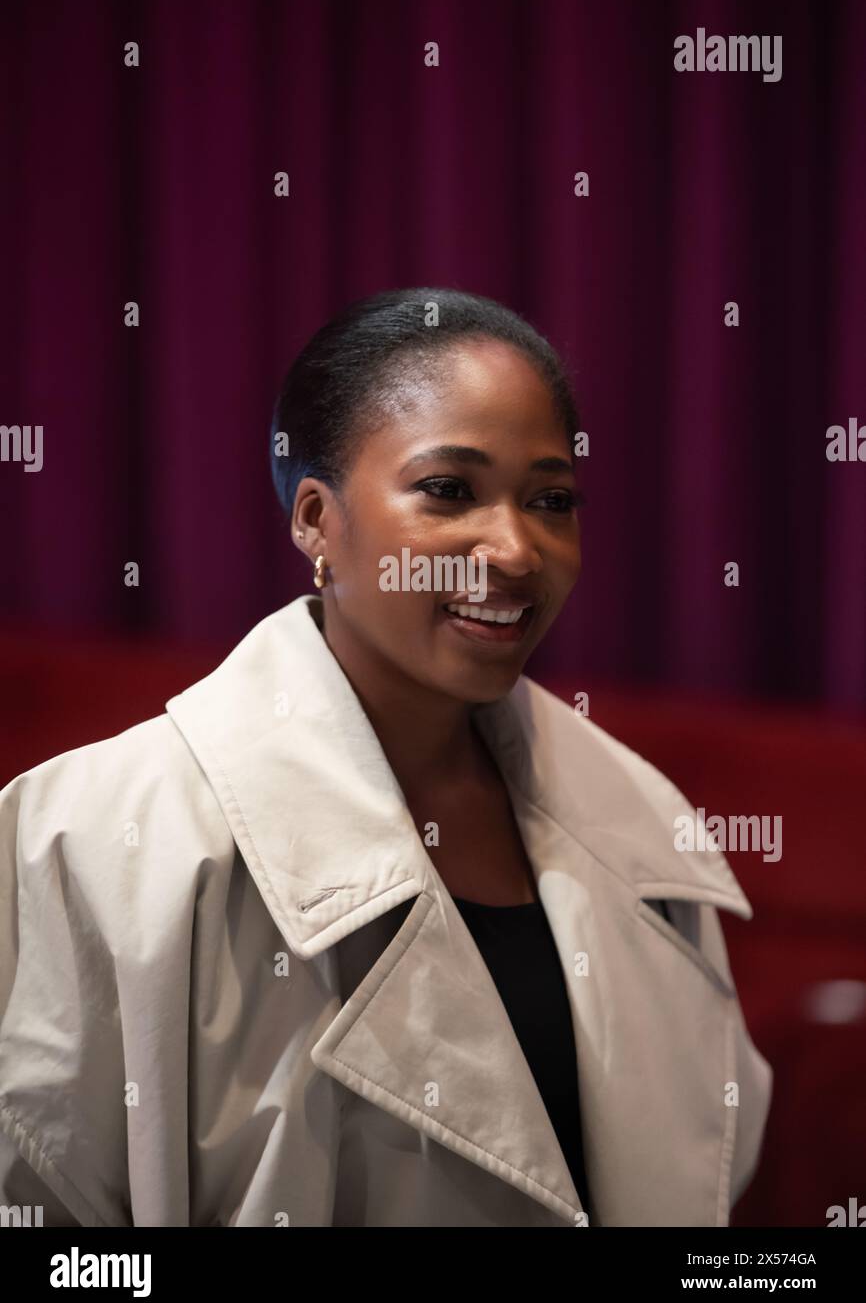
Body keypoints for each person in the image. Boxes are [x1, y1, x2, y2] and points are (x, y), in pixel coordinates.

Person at [0, 287, 772, 1227]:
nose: (516, 548)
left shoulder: (644, 826)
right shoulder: (92, 837)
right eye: (450, 489)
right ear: (318, 520)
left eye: (552, 500)